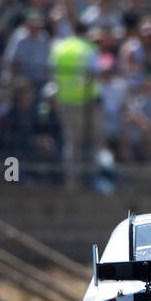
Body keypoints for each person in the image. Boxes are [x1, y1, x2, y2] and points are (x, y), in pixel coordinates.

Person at [49, 20, 100, 190]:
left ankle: (71, 181)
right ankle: (90, 177)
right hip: (85, 102)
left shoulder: (60, 47)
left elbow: (51, 71)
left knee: (71, 142)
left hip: (63, 99)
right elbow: (93, 73)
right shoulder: (88, 48)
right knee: (91, 140)